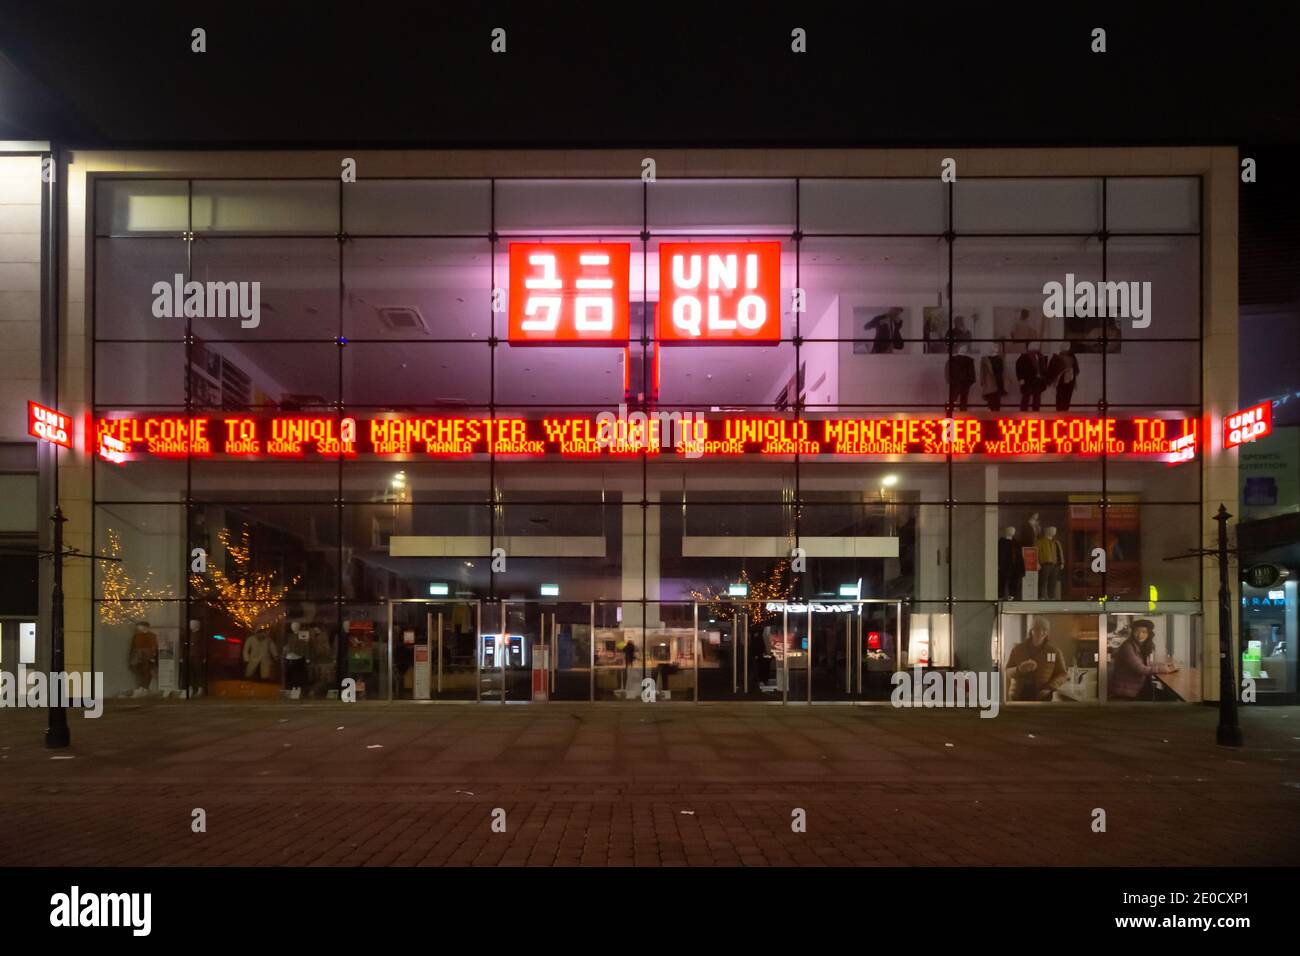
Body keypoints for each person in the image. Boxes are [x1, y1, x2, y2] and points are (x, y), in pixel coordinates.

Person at [1108, 619, 1175, 700]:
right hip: (1128, 691)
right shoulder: (1128, 646)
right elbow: (1141, 669)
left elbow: (1146, 664)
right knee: (1169, 698)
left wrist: (1165, 666)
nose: (1140, 635)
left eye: (1144, 632)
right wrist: (1163, 669)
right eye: (1137, 631)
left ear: (1149, 634)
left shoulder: (1140, 645)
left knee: (1169, 696)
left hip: (1138, 687)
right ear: (1132, 632)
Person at [1005, 617, 1067, 701]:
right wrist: (1019, 669)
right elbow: (1008, 671)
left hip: (1042, 695)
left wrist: (1049, 688)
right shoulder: (1017, 649)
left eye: (1044, 629)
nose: (1040, 632)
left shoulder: (1054, 652)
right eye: (1037, 629)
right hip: (1018, 694)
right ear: (1031, 630)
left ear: (1048, 632)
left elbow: (1062, 674)